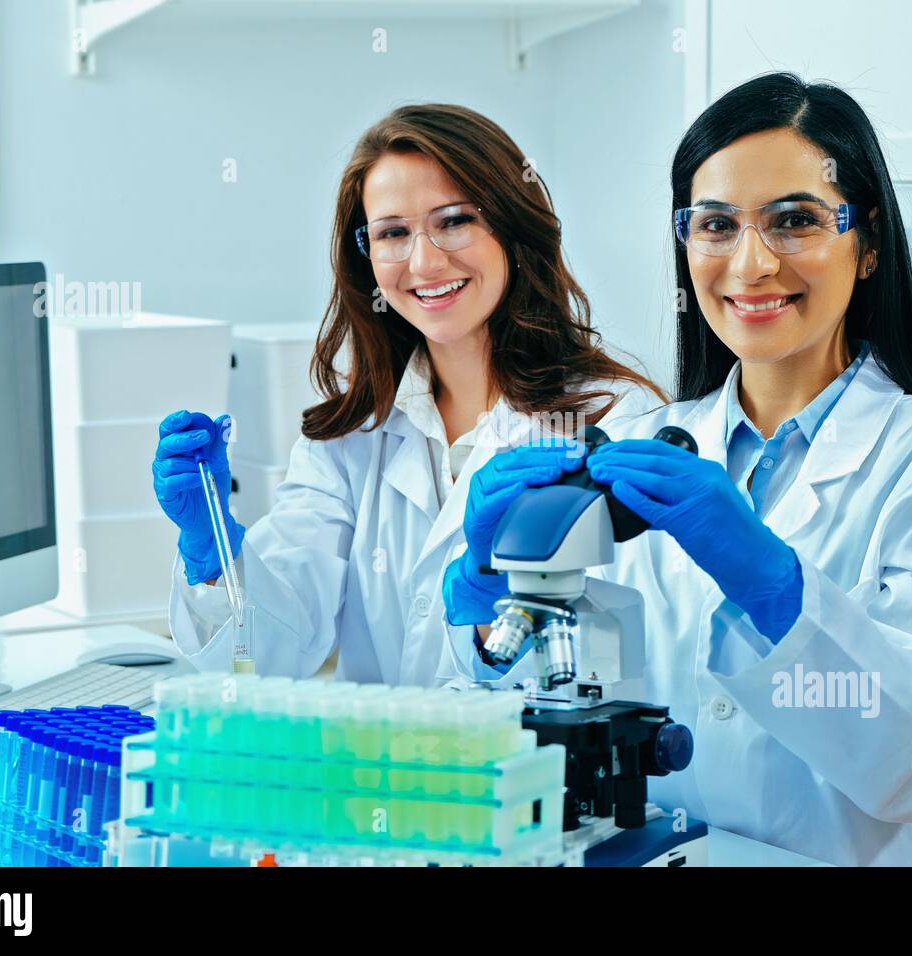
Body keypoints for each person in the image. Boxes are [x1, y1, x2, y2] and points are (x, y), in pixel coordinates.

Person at [441, 73, 912, 866]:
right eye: (716, 225)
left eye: (795, 220)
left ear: (867, 248)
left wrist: (776, 589)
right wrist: (492, 599)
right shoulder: (633, 444)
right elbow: (539, 710)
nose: (751, 264)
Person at [152, 103, 664, 683]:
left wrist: (487, 622)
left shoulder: (615, 421)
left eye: (454, 221)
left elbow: (628, 665)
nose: (424, 261)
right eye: (393, 233)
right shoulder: (351, 438)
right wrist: (212, 551)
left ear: (513, 226)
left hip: (538, 772)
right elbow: (267, 655)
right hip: (382, 772)